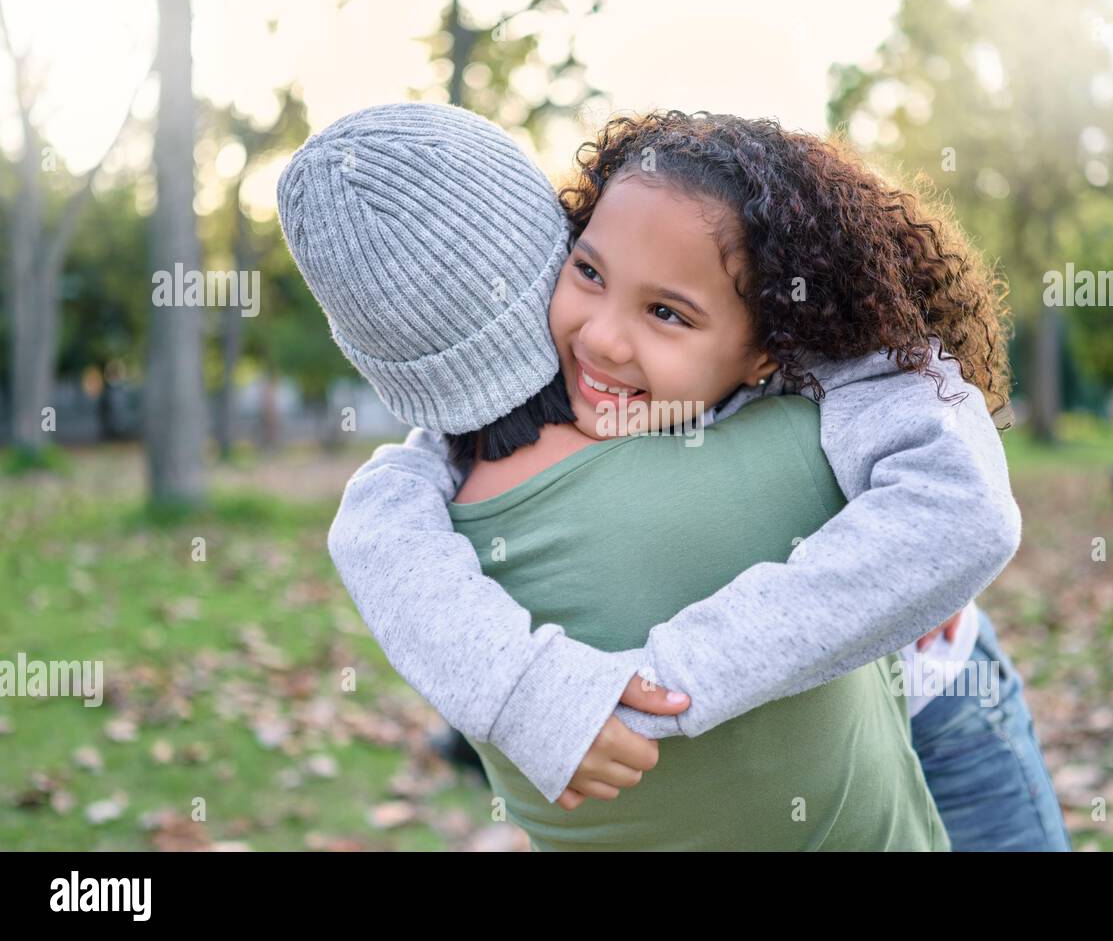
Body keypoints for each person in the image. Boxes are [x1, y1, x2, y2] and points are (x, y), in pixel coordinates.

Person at [278, 102, 1069, 849]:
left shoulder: (834, 376)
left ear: (769, 347)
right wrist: (533, 693)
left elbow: (963, 507)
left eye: (667, 314)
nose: (604, 339)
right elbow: (378, 525)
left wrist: (670, 675)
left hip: (944, 703)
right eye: (588, 272)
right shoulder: (450, 454)